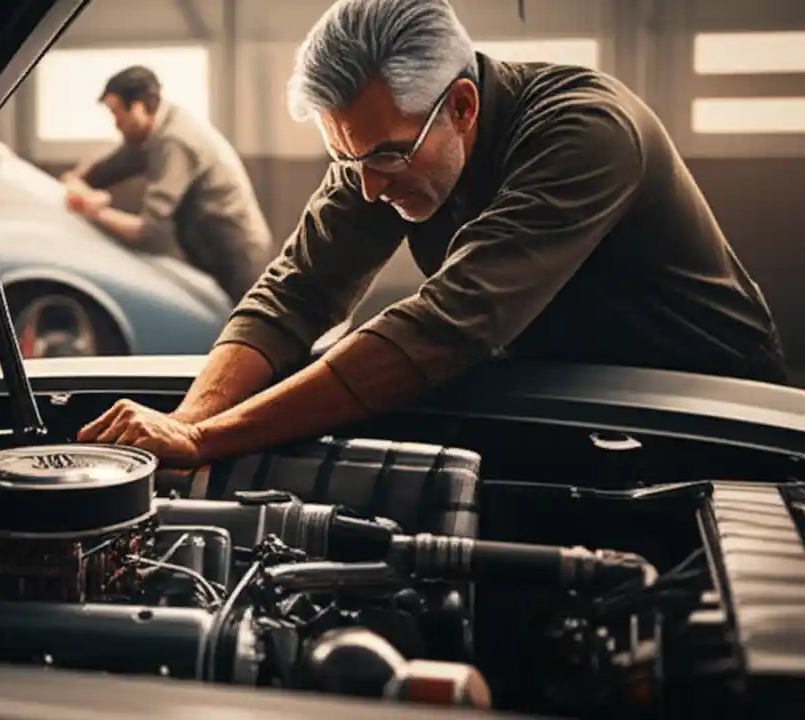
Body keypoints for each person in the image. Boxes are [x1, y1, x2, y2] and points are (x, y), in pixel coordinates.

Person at [76, 0, 787, 467]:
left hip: (719, 422)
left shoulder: (587, 130)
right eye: (343, 158)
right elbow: (296, 292)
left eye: (384, 156)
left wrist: (204, 440)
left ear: (464, 105)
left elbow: (441, 328)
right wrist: (184, 419)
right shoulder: (379, 151)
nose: (367, 186)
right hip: (568, 404)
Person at [62, 65, 275, 304]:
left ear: (138, 108)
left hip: (236, 259)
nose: (115, 123)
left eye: (116, 113)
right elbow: (117, 163)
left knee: (245, 334)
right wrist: (78, 179)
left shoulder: (174, 142)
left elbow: (148, 233)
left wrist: (92, 210)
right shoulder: (159, 128)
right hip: (213, 251)